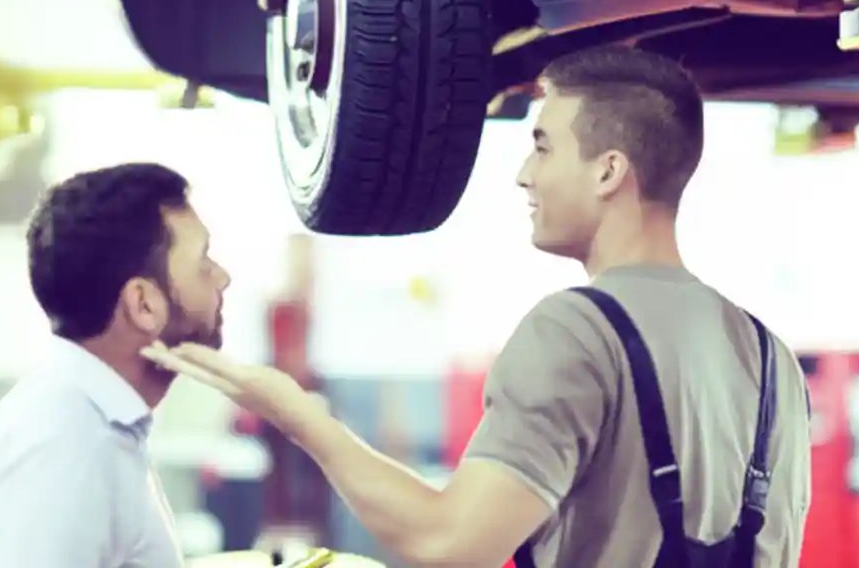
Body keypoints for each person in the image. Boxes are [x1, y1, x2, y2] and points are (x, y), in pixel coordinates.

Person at [144, 46, 813, 567]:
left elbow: (449, 543)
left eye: (543, 145)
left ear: (608, 171)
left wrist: (295, 413)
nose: (525, 174)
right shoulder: (771, 356)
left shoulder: (576, 331)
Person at [0, 162, 232, 567]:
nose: (222, 278)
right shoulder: (64, 444)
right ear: (143, 305)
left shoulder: (92, 422)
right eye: (204, 262)